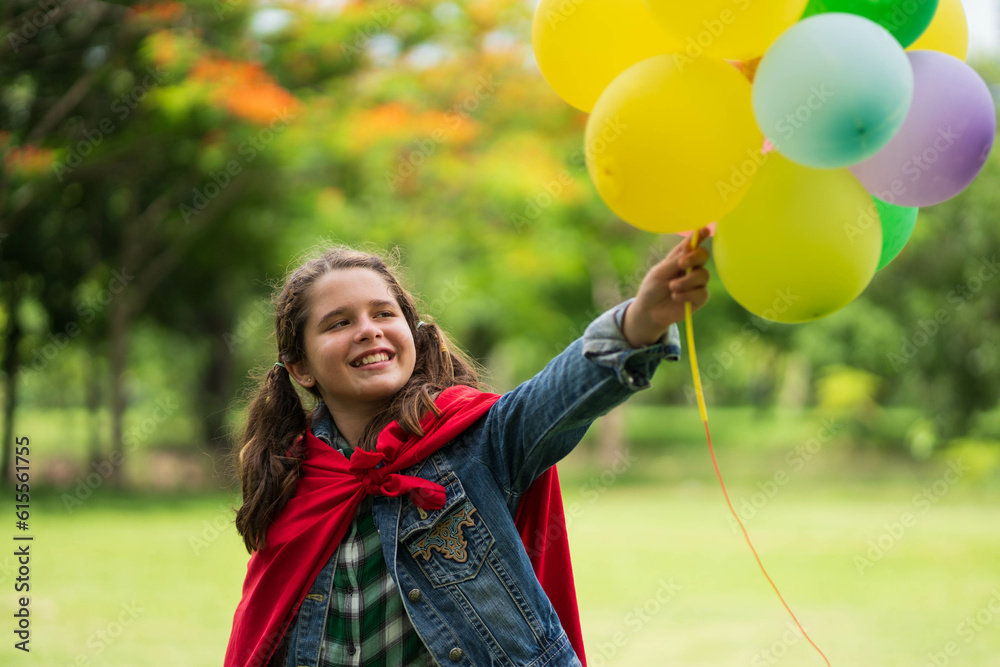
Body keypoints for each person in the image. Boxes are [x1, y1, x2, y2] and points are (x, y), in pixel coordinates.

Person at [225, 230, 712, 667]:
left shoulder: (479, 440)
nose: (368, 329)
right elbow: (264, 640)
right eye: (337, 323)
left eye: (383, 313)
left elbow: (557, 397)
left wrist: (641, 320)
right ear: (300, 368)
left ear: (410, 335)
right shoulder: (291, 478)